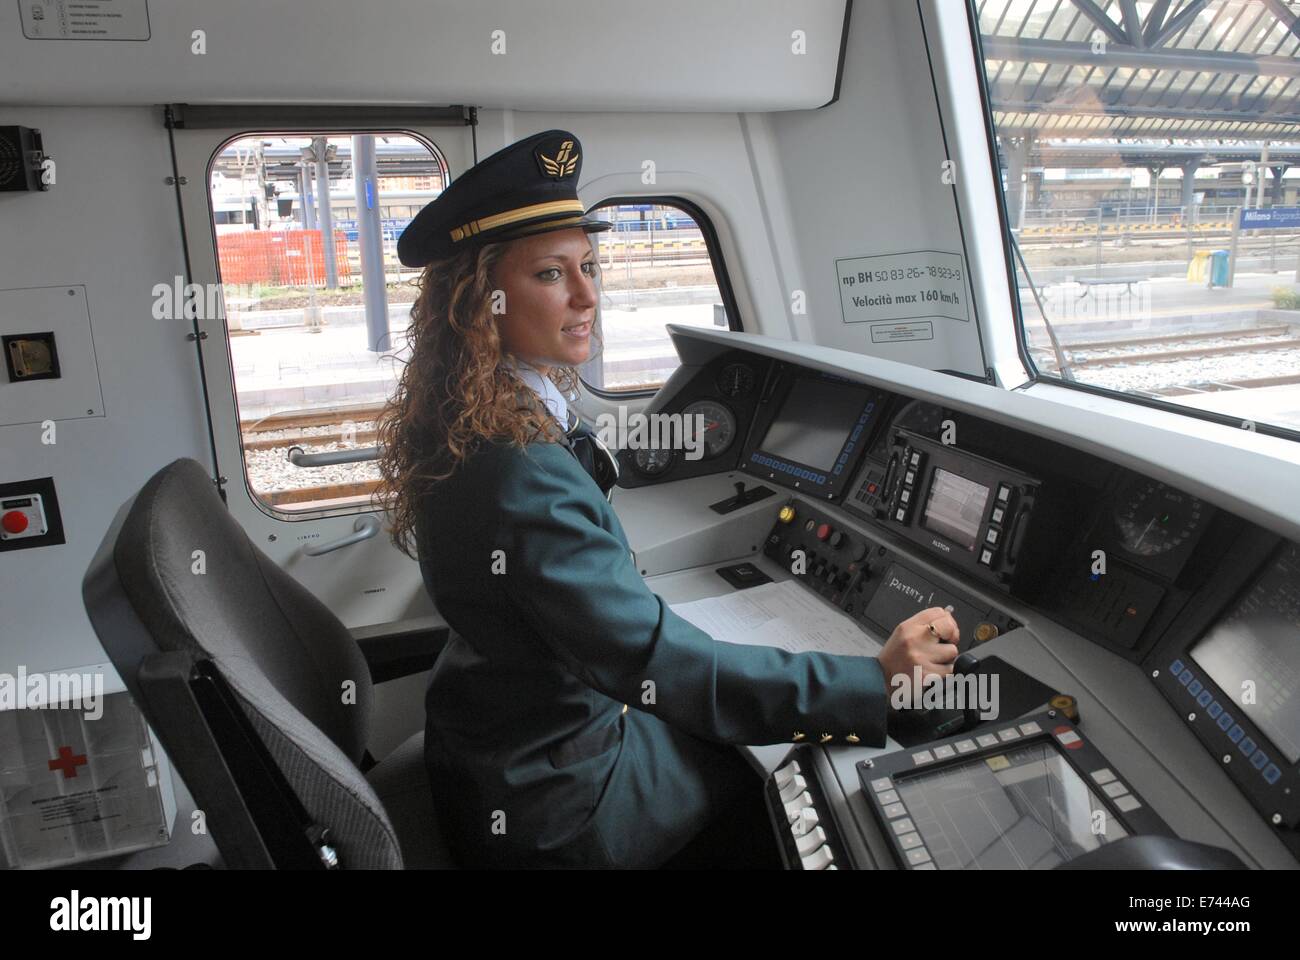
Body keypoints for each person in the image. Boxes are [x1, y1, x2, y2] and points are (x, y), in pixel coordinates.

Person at [375, 129, 959, 869]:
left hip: (499, 746)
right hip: (561, 803)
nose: (588, 295)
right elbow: (656, 660)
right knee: (796, 777)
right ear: (479, 300)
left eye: (589, 267)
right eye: (552, 274)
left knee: (744, 723)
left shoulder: (471, 418)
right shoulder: (519, 473)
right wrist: (871, 684)